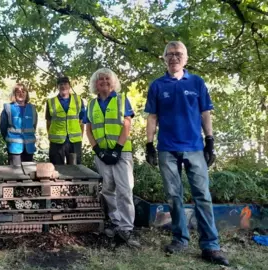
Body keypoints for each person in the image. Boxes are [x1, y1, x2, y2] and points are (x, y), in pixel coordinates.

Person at [144, 41, 229, 265]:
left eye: (178, 54)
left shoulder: (197, 82)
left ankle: (210, 245)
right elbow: (152, 117)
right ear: (164, 59)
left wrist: (210, 141)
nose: (174, 57)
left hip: (194, 148)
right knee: (174, 196)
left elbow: (205, 113)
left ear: (186, 58)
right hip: (167, 149)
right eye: (169, 54)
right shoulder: (157, 86)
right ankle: (180, 238)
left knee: (203, 195)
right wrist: (149, 144)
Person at [84, 68, 140, 248]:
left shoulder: (122, 99)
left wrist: (117, 149)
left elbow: (127, 125)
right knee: (108, 189)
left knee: (124, 190)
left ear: (113, 81)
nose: (104, 81)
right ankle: (116, 223)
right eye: (100, 79)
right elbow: (89, 130)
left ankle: (126, 228)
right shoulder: (91, 105)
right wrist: (97, 151)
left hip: (121, 152)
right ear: (95, 84)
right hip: (102, 154)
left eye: (107, 78)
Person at [45, 76, 85, 164]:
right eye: (60, 84)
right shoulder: (50, 102)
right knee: (57, 168)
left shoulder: (78, 100)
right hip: (56, 141)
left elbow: (82, 121)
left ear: (69, 86)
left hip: (74, 141)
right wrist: (51, 135)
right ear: (57, 87)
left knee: (76, 169)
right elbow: (48, 122)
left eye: (65, 84)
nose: (63, 86)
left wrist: (80, 136)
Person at [0, 83, 38, 165]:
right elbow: (3, 128)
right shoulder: (8, 108)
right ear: (14, 94)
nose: (21, 94)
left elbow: (34, 126)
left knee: (29, 173)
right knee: (15, 174)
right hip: (14, 148)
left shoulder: (32, 109)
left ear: (27, 94)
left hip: (29, 147)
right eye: (18, 92)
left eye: (23, 92)